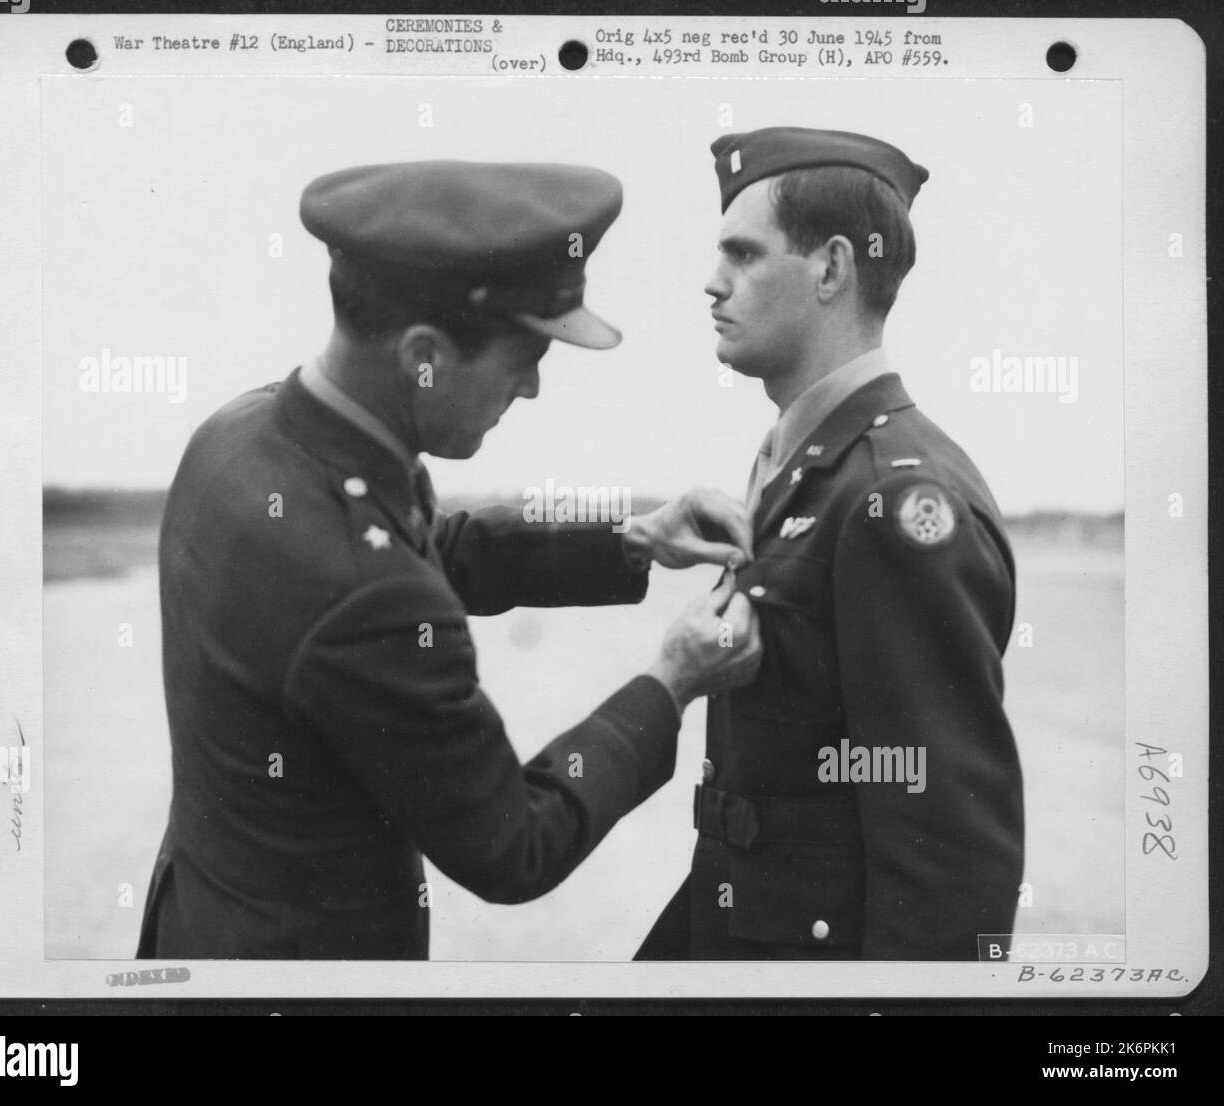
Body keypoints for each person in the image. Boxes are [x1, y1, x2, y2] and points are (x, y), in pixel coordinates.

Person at [136, 160, 762, 960]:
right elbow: (515, 844)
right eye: (522, 357)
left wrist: (633, 537)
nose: (532, 388)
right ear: (423, 352)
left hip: (203, 930)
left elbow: (424, 546)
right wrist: (670, 684)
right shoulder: (364, 593)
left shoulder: (244, 433)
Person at [637, 127, 1024, 961]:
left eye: (742, 255)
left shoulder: (893, 496)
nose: (711, 283)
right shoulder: (797, 460)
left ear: (832, 268)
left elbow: (946, 855)